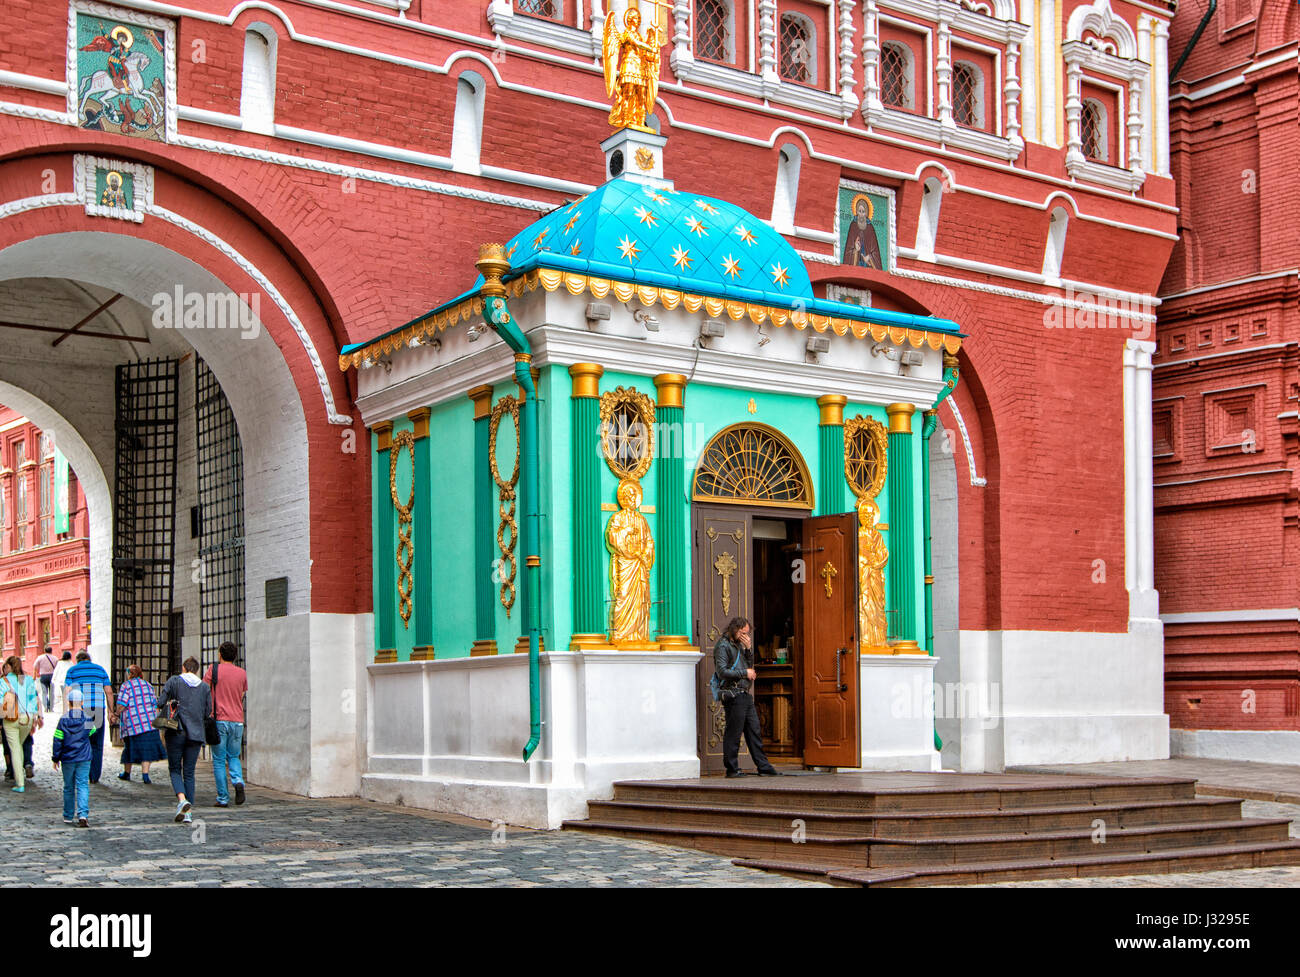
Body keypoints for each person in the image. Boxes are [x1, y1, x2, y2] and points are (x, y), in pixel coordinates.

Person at [712, 617, 780, 779]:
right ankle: (732, 768)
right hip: (733, 694)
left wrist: (748, 649)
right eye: (743, 634)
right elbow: (722, 671)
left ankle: (763, 766)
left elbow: (748, 665)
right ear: (735, 629)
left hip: (744, 694)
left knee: (754, 730)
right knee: (734, 733)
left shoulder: (738, 646)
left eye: (747, 634)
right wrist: (744, 673)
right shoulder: (723, 646)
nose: (745, 637)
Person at [157, 657, 212, 825]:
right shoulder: (204, 687)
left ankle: (181, 799)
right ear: (196, 670)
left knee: (175, 769)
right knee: (189, 773)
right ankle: (188, 813)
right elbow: (208, 711)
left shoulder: (174, 681)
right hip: (196, 734)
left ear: (183, 668)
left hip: (176, 731)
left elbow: (160, 702)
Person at [204, 641, 248, 807]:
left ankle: (223, 798)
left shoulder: (213, 670)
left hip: (219, 719)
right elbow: (242, 695)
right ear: (235, 656)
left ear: (220, 654)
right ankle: (238, 781)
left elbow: (204, 689)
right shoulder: (242, 673)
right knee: (233, 756)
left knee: (219, 759)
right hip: (237, 720)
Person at [63, 650, 115, 784]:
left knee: (80, 741)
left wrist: (67, 712)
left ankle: (82, 773)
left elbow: (68, 691)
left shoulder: (72, 671)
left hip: (80, 709)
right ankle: (94, 776)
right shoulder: (100, 670)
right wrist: (111, 711)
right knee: (97, 743)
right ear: (89, 659)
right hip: (97, 709)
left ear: (77, 660)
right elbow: (109, 691)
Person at [52, 688, 96, 826]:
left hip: (68, 758)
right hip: (84, 757)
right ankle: (83, 815)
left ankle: (68, 815)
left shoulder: (63, 720)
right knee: (83, 785)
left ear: (69, 703)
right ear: (82, 702)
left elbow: (58, 739)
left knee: (68, 787)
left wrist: (55, 758)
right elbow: (92, 732)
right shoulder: (87, 718)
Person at [115, 664, 165, 783]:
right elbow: (154, 703)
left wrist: (116, 713)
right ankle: (145, 775)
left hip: (134, 724)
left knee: (129, 748)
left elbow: (122, 704)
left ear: (130, 674)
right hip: (149, 723)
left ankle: (127, 773)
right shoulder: (148, 685)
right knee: (146, 750)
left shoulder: (126, 686)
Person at [2, 655, 43, 792]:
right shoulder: (28, 680)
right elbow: (33, 699)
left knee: (15, 749)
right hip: (27, 717)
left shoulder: (4, 681)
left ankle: (20, 783)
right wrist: (35, 717)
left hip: (10, 718)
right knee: (19, 745)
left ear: (9, 666)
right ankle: (24, 768)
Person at [34, 646, 58, 712]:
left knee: (44, 692)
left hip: (43, 676)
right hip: (52, 676)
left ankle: (45, 707)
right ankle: (51, 708)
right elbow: (57, 667)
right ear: (51, 651)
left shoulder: (40, 658)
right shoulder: (55, 658)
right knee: (51, 692)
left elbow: (35, 666)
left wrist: (38, 672)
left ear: (44, 651)